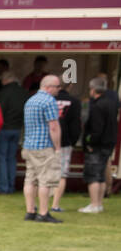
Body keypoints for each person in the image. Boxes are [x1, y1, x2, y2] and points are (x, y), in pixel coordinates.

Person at [22, 74, 63, 223]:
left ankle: (30, 210)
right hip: (44, 146)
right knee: (45, 181)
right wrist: (57, 147)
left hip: (29, 145)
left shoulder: (30, 101)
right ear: (48, 87)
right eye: (57, 86)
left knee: (30, 180)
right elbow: (53, 126)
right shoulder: (49, 101)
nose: (59, 89)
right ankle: (44, 213)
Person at [79, 76, 116, 214]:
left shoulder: (97, 106)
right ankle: (99, 203)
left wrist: (90, 142)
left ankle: (94, 204)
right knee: (100, 174)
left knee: (93, 175)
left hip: (97, 145)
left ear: (93, 90)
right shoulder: (111, 103)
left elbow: (96, 128)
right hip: (108, 143)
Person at [0, 71, 28, 193]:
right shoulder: (24, 92)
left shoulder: (4, 93)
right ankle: (11, 186)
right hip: (17, 128)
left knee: (2, 158)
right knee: (12, 158)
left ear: (5, 80)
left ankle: (4, 187)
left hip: (4, 129)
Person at [49, 85, 82, 213]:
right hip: (65, 141)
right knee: (62, 174)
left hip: (47, 141)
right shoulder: (74, 101)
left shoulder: (48, 100)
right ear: (70, 86)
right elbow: (76, 125)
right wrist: (72, 141)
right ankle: (55, 205)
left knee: (45, 172)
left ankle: (42, 202)